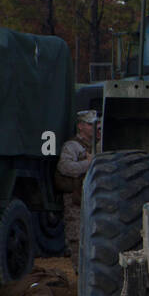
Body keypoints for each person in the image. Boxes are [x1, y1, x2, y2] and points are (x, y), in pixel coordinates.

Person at [56, 110, 97, 259]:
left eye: (95, 124)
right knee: (77, 236)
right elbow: (65, 167)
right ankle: (79, 270)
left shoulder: (97, 146)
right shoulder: (72, 146)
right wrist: (89, 163)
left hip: (94, 197)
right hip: (76, 199)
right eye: (89, 124)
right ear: (80, 126)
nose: (94, 127)